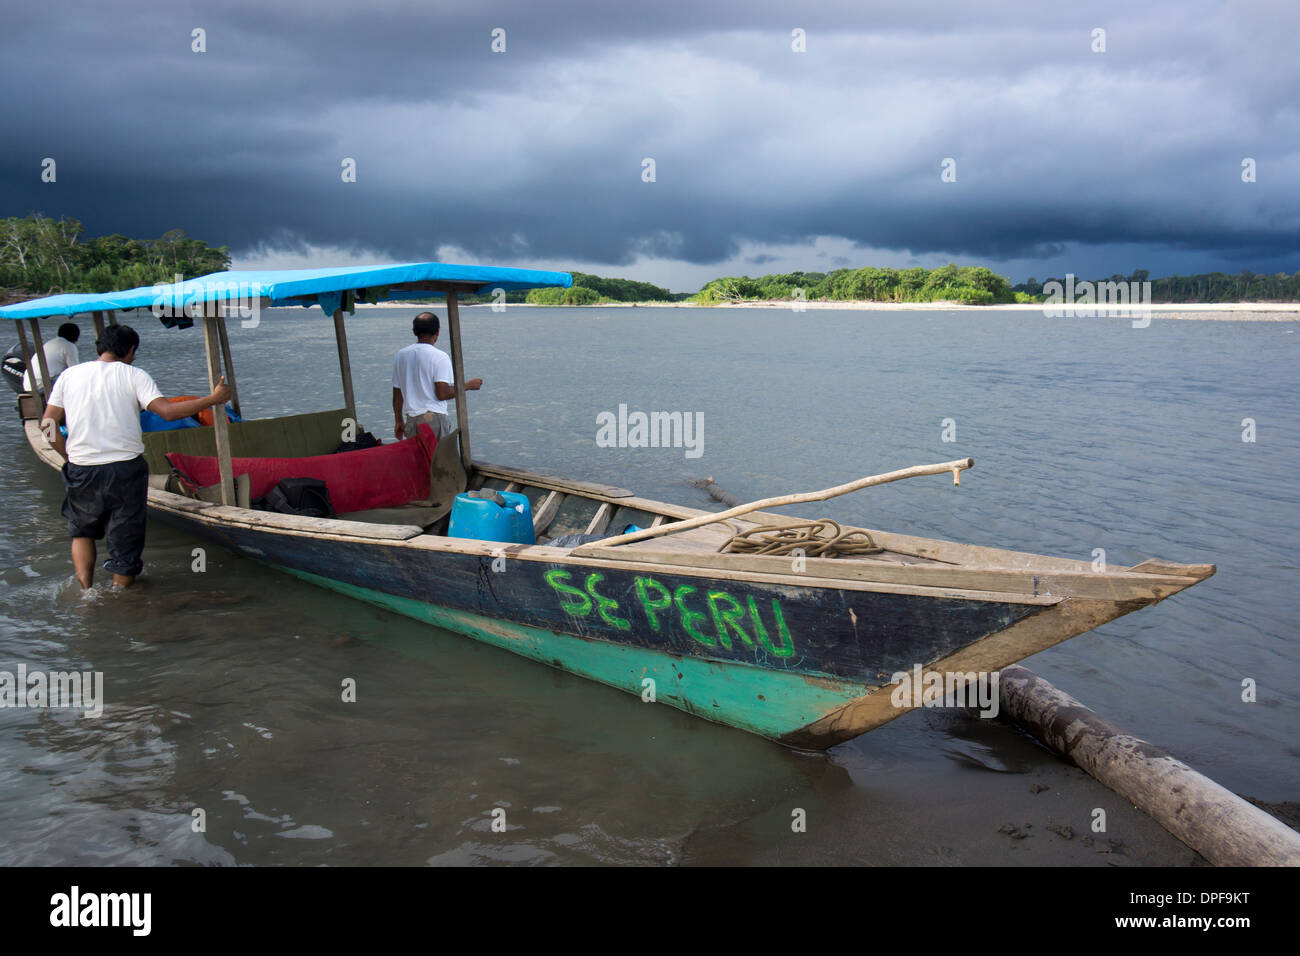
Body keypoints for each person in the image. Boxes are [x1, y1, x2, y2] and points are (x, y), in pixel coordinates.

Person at [41, 324, 231, 589]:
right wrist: (212, 399)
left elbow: (47, 424)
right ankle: (122, 595)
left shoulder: (69, 376)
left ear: (98, 348)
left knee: (82, 531)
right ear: (131, 351)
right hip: (125, 469)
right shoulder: (134, 375)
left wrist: (69, 456)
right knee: (124, 536)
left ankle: (86, 593)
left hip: (82, 467)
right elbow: (167, 412)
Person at [391, 311, 481, 442]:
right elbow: (442, 393)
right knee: (438, 460)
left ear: (414, 331)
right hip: (433, 420)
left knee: (419, 462)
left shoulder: (401, 355)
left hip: (412, 420)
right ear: (437, 332)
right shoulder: (440, 357)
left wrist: (398, 420)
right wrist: (467, 386)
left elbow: (397, 392)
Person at [22, 322, 80, 392]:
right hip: (42, 387)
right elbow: (74, 370)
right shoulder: (69, 346)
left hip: (29, 386)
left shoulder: (49, 344)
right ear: (76, 336)